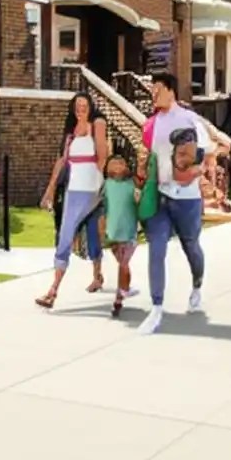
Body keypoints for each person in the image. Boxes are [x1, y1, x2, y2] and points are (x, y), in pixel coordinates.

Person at [134, 72, 213, 335]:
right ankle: (156, 308)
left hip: (187, 199)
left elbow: (207, 154)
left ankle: (197, 285)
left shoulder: (190, 120)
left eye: (157, 89)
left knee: (191, 246)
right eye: (152, 90)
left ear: (170, 91)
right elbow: (147, 156)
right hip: (161, 196)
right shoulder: (151, 124)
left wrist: (197, 172)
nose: (153, 94)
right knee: (156, 248)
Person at [35, 92, 107, 308]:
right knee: (90, 231)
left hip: (92, 188)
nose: (81, 109)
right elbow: (61, 163)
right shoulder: (70, 136)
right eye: (77, 105)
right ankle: (98, 276)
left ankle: (53, 291)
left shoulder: (98, 124)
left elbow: (102, 157)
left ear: (91, 107)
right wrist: (50, 190)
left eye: (85, 105)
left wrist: (97, 183)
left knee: (67, 233)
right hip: (74, 190)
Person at [100, 154, 141, 318]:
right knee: (123, 264)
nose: (117, 166)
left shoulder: (132, 183)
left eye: (121, 163)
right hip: (113, 232)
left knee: (123, 263)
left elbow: (140, 201)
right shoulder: (106, 185)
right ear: (107, 168)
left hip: (129, 230)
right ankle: (126, 288)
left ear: (126, 167)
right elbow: (103, 208)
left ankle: (118, 299)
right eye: (113, 163)